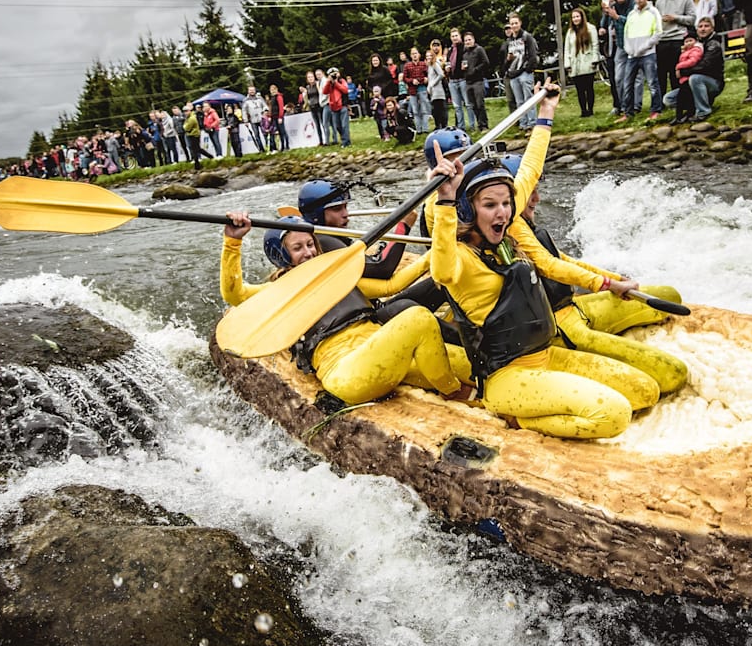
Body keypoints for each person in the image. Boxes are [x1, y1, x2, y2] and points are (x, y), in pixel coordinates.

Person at [426, 113, 661, 439]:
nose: (502, 212)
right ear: (468, 210)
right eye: (490, 205)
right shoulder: (461, 257)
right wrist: (446, 199)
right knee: (614, 414)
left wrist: (547, 113)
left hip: (546, 355)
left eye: (506, 204)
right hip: (508, 377)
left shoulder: (508, 240)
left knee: (646, 390)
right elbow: (440, 270)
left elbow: (530, 170)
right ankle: (518, 419)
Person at [219, 215, 469, 407]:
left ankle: (474, 397)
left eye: (310, 244)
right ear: (281, 256)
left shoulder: (338, 277)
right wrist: (233, 242)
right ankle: (453, 391)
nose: (309, 252)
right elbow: (235, 294)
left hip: (379, 355)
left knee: (470, 366)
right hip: (345, 373)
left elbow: (392, 286)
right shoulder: (278, 293)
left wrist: (439, 250)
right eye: (298, 248)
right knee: (418, 318)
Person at [495, 153, 687, 396]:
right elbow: (548, 266)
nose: (537, 198)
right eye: (530, 192)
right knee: (672, 372)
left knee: (669, 295)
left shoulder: (526, 227)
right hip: (556, 327)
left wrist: (615, 279)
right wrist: (607, 284)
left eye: (536, 190)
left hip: (574, 307)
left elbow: (563, 260)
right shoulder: (506, 232)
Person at [661, 18, 724, 123]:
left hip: (713, 82)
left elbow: (705, 65)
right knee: (668, 99)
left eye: (706, 26)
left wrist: (683, 72)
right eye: (700, 26)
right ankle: (694, 107)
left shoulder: (714, 44)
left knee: (695, 79)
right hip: (694, 81)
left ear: (712, 29)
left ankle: (703, 111)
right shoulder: (694, 45)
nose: (703, 29)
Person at [654, 0, 697, 116]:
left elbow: (692, 19)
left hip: (678, 38)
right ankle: (660, 104)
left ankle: (677, 102)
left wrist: (676, 18)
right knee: (661, 74)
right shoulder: (660, 1)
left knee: (676, 73)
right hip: (663, 40)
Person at [617, 0, 661, 120]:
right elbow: (626, 33)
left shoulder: (653, 12)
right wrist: (629, 49)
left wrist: (645, 46)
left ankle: (656, 110)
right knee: (628, 84)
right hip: (632, 55)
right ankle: (628, 112)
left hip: (648, 54)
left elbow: (658, 33)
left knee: (652, 83)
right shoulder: (631, 14)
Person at [498, 14, 540, 128]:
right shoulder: (509, 41)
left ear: (520, 23)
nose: (514, 25)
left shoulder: (527, 37)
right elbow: (506, 60)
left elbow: (533, 55)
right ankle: (523, 124)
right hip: (513, 73)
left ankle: (532, 124)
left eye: (516, 23)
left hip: (525, 72)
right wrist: (508, 62)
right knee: (519, 101)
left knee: (528, 99)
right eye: (512, 23)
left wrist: (528, 69)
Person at [598, 0, 632, 116]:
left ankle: (632, 105)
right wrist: (606, 13)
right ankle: (620, 105)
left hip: (628, 44)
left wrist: (616, 16)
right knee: (616, 78)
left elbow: (629, 22)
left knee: (631, 77)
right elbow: (604, 25)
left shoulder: (630, 4)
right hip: (614, 47)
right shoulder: (611, 9)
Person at [562, 6, 600, 116]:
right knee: (580, 89)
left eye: (577, 16)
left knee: (589, 88)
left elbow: (595, 45)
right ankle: (583, 110)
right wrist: (567, 63)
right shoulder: (570, 32)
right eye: (573, 17)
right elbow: (567, 49)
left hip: (588, 62)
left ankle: (590, 110)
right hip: (575, 65)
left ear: (582, 17)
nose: (575, 19)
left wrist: (595, 60)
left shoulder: (590, 28)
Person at [444, 28, 476, 129]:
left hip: (463, 79)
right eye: (452, 36)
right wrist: (447, 68)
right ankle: (461, 127)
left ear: (460, 36)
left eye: (456, 36)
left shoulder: (465, 48)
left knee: (468, 104)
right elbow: (447, 63)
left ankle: (472, 125)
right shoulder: (450, 51)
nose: (454, 38)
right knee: (457, 106)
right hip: (452, 80)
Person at [460, 31, 491, 128]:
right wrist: (463, 69)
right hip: (468, 82)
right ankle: (479, 124)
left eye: (469, 40)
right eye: (466, 40)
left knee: (480, 104)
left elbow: (486, 62)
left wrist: (475, 70)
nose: (468, 42)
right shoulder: (464, 54)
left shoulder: (479, 49)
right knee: (473, 105)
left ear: (473, 40)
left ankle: (484, 125)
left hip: (478, 80)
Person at [402, 47, 431, 135]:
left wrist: (426, 79)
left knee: (424, 109)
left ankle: (425, 128)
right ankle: (418, 129)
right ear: (410, 55)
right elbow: (405, 78)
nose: (414, 55)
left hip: (422, 88)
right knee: (415, 110)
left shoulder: (423, 64)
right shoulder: (407, 65)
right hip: (412, 90)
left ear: (419, 55)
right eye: (413, 53)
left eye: (416, 53)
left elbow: (428, 75)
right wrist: (412, 81)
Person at [322, 67, 351, 147]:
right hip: (333, 107)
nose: (334, 75)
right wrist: (329, 82)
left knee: (344, 125)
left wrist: (336, 83)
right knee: (337, 126)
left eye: (335, 73)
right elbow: (325, 91)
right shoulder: (329, 83)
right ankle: (345, 139)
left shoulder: (342, 81)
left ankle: (345, 142)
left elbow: (345, 90)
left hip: (342, 106)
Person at [425, 44, 449, 130]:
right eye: (427, 56)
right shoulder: (429, 66)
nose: (428, 57)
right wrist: (429, 87)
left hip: (438, 91)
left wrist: (432, 84)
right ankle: (438, 126)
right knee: (435, 111)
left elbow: (441, 75)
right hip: (433, 92)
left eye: (430, 56)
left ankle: (443, 126)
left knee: (440, 109)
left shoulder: (435, 64)